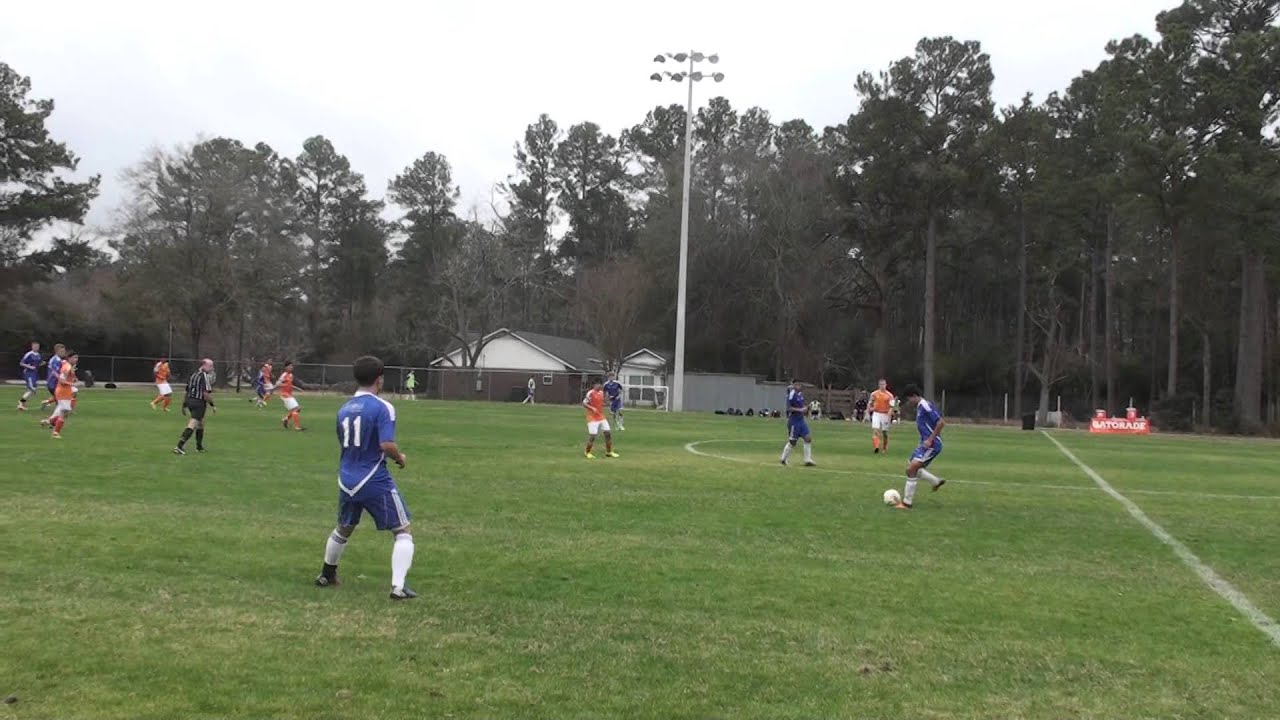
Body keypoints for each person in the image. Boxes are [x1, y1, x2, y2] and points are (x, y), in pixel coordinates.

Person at [315, 355, 416, 600]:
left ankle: (327, 573)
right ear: (379, 379)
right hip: (373, 477)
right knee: (403, 530)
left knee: (344, 527)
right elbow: (386, 444)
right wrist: (399, 457)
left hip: (347, 478)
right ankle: (398, 587)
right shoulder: (382, 407)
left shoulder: (344, 408)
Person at [893, 384, 948, 510]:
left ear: (914, 396)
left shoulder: (925, 405)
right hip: (924, 444)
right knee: (911, 467)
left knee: (912, 469)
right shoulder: (920, 407)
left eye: (908, 399)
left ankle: (907, 503)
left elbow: (941, 422)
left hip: (932, 445)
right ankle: (935, 481)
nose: (908, 403)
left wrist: (930, 439)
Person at [174, 359, 215, 455]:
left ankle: (199, 447)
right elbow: (205, 394)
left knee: (201, 424)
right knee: (193, 423)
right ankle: (179, 446)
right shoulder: (204, 376)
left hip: (190, 401)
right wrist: (212, 404)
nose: (212, 368)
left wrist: (184, 404)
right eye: (210, 366)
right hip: (198, 403)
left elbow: (187, 390)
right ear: (204, 365)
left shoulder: (194, 375)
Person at [40, 350, 77, 438]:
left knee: (64, 412)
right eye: (75, 357)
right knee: (64, 413)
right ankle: (55, 433)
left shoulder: (66, 364)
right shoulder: (67, 367)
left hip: (65, 392)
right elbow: (61, 380)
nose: (76, 359)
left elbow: (63, 364)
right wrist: (70, 383)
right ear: (70, 358)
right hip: (63, 392)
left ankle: (48, 421)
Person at [780, 379, 816, 467]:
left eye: (800, 385)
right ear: (793, 385)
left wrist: (805, 408)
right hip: (794, 422)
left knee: (808, 438)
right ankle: (783, 459)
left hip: (801, 420)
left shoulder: (800, 394)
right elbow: (789, 408)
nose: (798, 386)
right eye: (796, 385)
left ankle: (807, 459)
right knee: (792, 442)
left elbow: (801, 406)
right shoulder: (791, 395)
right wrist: (800, 410)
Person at [583, 377, 619, 459]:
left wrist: (610, 401)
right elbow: (584, 403)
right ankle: (587, 452)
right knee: (593, 435)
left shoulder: (602, 393)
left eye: (600, 384)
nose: (599, 386)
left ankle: (609, 452)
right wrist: (592, 408)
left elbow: (603, 403)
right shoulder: (590, 393)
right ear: (594, 385)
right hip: (592, 417)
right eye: (597, 384)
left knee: (608, 433)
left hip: (601, 417)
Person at [870, 379, 895, 454]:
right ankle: (876, 447)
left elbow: (892, 406)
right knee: (875, 430)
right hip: (876, 413)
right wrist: (869, 409)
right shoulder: (874, 394)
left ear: (886, 385)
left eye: (883, 384)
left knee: (885, 432)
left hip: (885, 414)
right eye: (880, 384)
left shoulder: (889, 395)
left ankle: (884, 447)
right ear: (878, 385)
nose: (882, 386)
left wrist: (889, 414)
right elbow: (870, 402)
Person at [39, 344, 66, 411]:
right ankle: (57, 415)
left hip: (55, 382)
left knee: (59, 397)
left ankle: (46, 402)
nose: (63, 353)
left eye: (64, 351)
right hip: (53, 383)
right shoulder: (56, 360)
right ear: (57, 351)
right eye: (62, 351)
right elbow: (54, 372)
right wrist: (61, 378)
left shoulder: (58, 359)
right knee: (61, 398)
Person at [16, 341, 41, 411]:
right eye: (35, 346)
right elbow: (21, 363)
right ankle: (21, 402)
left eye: (37, 346)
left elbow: (37, 364)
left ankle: (21, 404)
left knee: (32, 389)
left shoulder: (38, 355)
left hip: (34, 374)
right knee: (32, 389)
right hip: (28, 373)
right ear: (32, 346)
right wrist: (29, 367)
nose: (36, 347)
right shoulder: (29, 354)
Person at [278, 361, 303, 431]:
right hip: (285, 395)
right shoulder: (284, 375)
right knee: (296, 408)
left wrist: (297, 388)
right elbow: (278, 383)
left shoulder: (291, 375)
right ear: (286, 367)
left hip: (289, 395)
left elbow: (289, 384)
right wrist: (282, 385)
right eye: (290, 366)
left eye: (292, 366)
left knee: (298, 409)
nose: (292, 367)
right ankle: (297, 427)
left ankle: (285, 419)